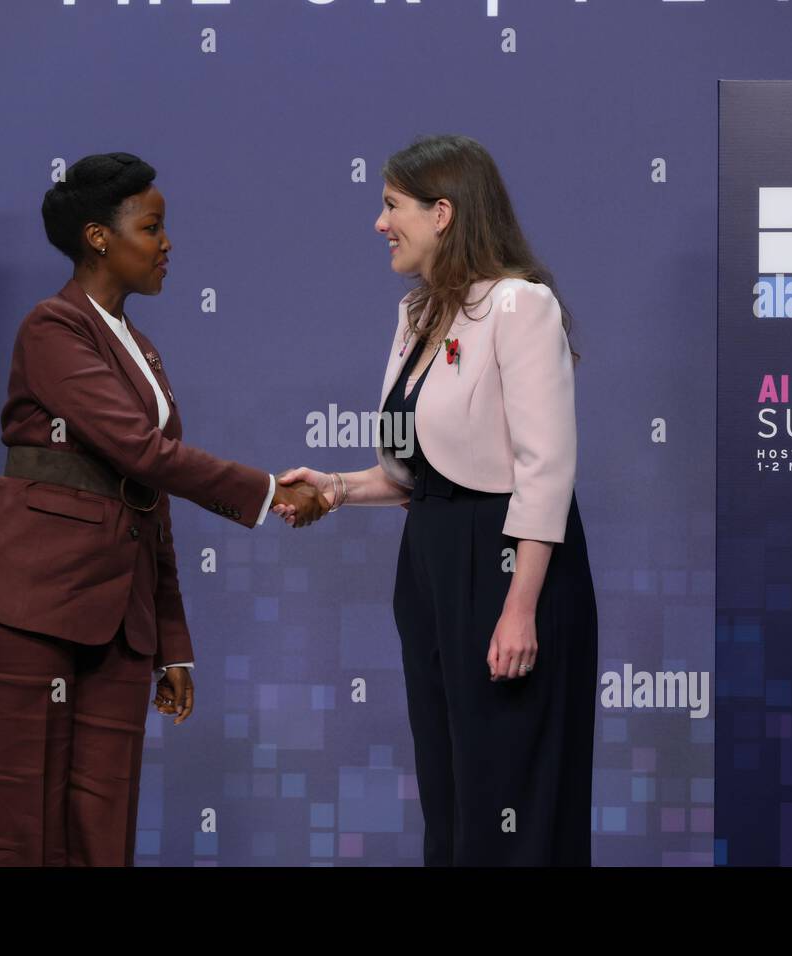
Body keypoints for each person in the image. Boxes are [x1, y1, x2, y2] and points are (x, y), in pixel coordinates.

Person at [0, 152, 325, 866]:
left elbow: (145, 496)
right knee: (18, 837)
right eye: (152, 227)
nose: (168, 244)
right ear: (99, 238)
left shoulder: (138, 347)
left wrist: (170, 642)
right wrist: (269, 492)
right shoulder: (52, 328)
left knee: (101, 838)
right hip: (18, 610)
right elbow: (145, 454)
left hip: (114, 626)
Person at [276, 134, 598, 866]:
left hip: (510, 564)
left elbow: (543, 469)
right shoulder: (415, 316)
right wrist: (333, 489)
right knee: (449, 782)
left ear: (443, 212)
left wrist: (520, 607)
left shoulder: (521, 305)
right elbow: (412, 472)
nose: (380, 223)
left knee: (506, 780)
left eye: (392, 206)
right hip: (429, 565)